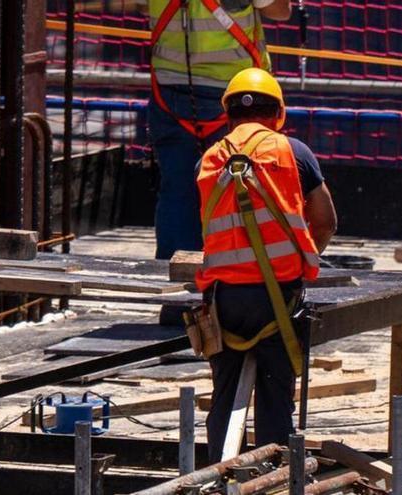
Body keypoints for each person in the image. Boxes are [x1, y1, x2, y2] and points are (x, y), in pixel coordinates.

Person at [194, 68, 337, 462]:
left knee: (225, 397)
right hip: (280, 298)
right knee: (275, 398)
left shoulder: (209, 158)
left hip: (224, 300)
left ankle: (218, 476)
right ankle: (274, 477)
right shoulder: (294, 153)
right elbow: (325, 220)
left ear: (228, 114)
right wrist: (304, 259)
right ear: (278, 113)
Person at [147, 0, 292, 259]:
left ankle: (176, 276)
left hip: (169, 89)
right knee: (237, 188)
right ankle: (233, 274)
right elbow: (280, 11)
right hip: (234, 92)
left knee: (177, 190)